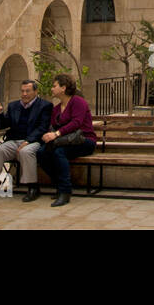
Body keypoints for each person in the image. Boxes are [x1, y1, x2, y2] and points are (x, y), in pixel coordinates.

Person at [0, 78, 52, 204]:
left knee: (25, 152)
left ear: (35, 92)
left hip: (34, 141)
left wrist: (27, 141)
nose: (24, 94)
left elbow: (42, 128)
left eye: (27, 91)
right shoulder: (14, 106)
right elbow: (2, 125)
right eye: (22, 91)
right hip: (14, 141)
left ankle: (33, 187)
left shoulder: (45, 106)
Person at [36, 74, 96, 207]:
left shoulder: (78, 102)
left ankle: (65, 192)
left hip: (84, 140)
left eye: (54, 86)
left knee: (59, 152)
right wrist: (48, 134)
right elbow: (53, 125)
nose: (52, 89)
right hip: (64, 141)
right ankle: (59, 184)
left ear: (63, 88)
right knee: (41, 153)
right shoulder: (57, 108)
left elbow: (76, 122)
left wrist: (56, 134)